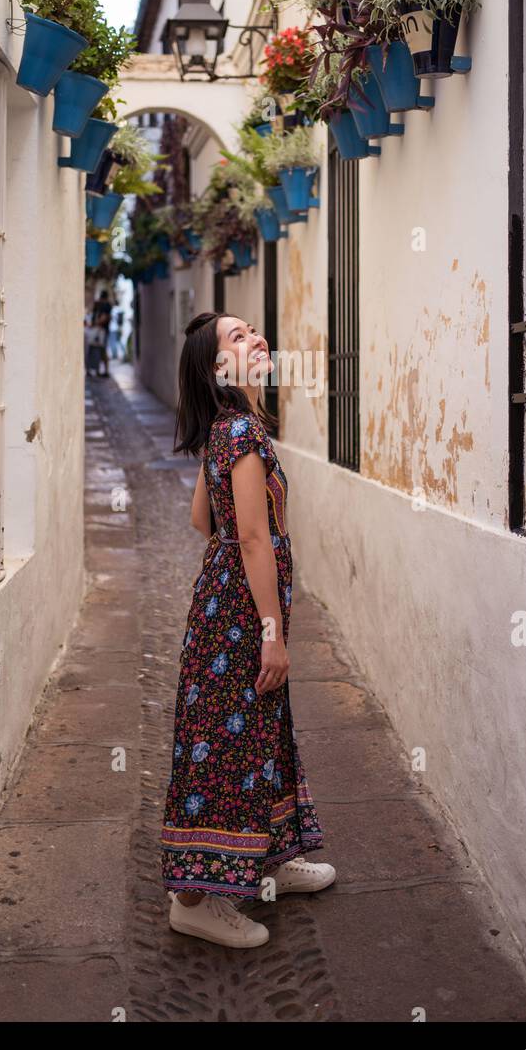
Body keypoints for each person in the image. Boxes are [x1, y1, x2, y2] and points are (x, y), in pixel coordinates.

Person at [160, 311, 333, 948]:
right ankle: (193, 900)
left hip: (225, 606)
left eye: (251, 331)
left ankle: (272, 861)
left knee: (262, 731)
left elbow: (202, 520)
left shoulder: (233, 431)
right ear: (215, 371)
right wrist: (270, 631)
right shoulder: (240, 435)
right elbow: (254, 539)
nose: (255, 339)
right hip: (238, 619)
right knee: (221, 744)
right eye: (238, 338)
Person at [92, 290, 113, 377]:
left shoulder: (104, 305)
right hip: (102, 330)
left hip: (102, 330)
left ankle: (104, 370)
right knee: (101, 350)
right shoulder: (105, 305)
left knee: (102, 350)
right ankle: (102, 370)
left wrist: (96, 324)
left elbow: (105, 317)